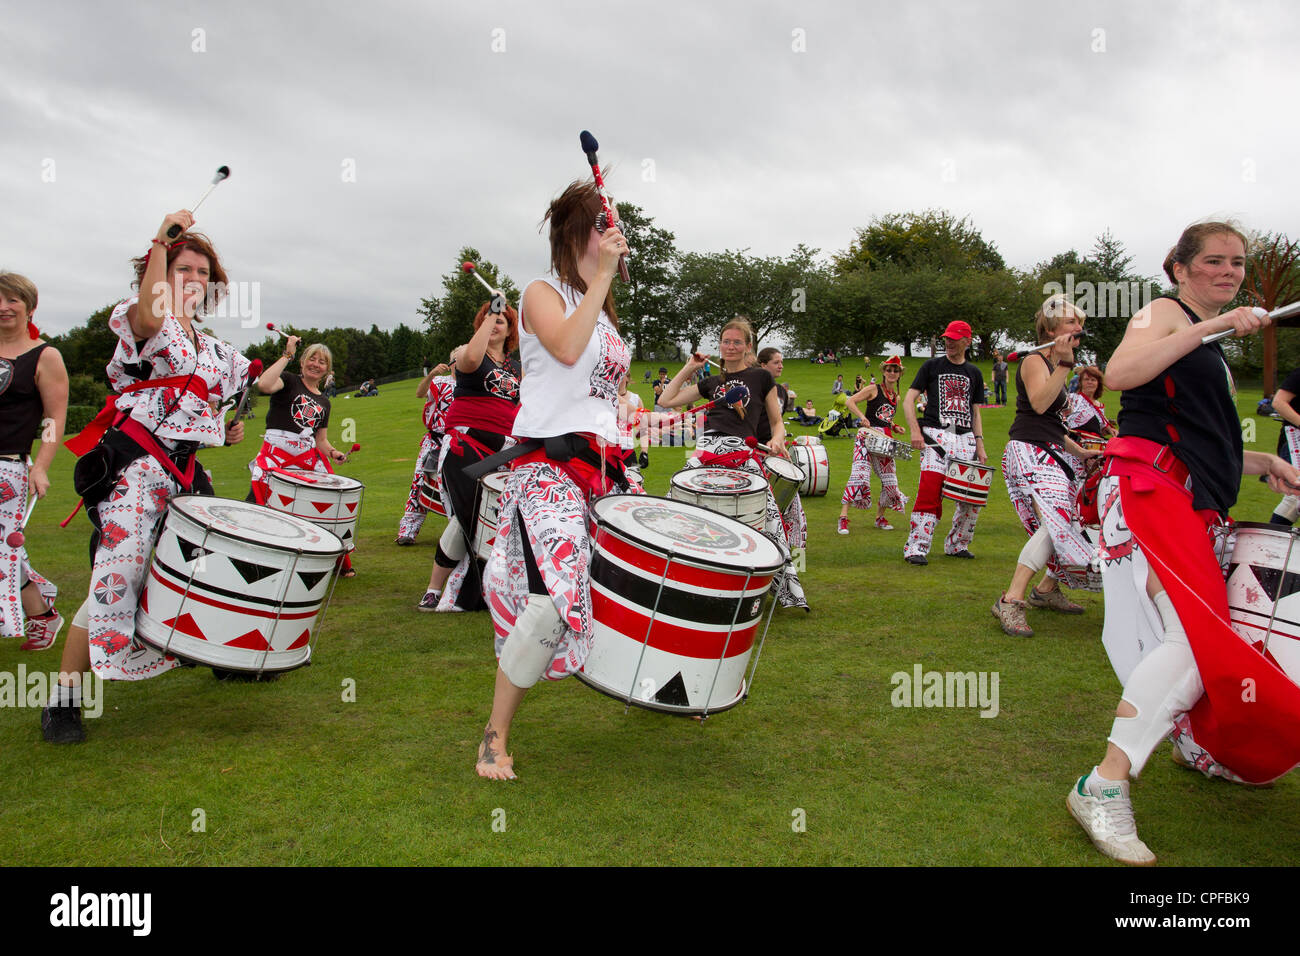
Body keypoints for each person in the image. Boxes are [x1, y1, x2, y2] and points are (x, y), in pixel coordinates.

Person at [1069, 220, 1300, 865]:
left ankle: (1190, 746)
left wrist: (1255, 461)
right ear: (1180, 266)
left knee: (1184, 635)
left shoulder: (1207, 345)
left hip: (1178, 493)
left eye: (1238, 263)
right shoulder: (1164, 312)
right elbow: (1118, 373)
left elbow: (1183, 426)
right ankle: (1103, 783)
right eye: (1215, 262)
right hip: (1148, 492)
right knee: (1194, 636)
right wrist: (1210, 327)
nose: (1229, 272)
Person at [43, 211, 256, 742]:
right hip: (135, 470)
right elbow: (149, 308)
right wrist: (163, 238)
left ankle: (214, 654)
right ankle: (63, 701)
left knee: (205, 569)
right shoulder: (144, 318)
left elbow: (249, 385)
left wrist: (232, 424)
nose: (195, 280)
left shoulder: (209, 345)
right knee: (116, 579)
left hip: (186, 471)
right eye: (184, 268)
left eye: (204, 273)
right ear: (159, 270)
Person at [474, 180, 630, 779]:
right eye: (601, 226)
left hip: (603, 465)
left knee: (629, 580)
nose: (612, 236)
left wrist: (673, 415)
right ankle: (493, 737)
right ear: (572, 234)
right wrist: (601, 283)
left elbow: (604, 399)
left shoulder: (604, 309)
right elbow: (565, 349)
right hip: (546, 468)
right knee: (548, 601)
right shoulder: (541, 293)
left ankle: (665, 682)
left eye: (614, 227)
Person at [659, 318, 807, 609]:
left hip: (742, 450)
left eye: (737, 342)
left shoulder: (762, 378)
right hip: (705, 452)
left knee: (767, 518)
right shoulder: (711, 382)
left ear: (747, 346)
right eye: (726, 341)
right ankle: (677, 584)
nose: (730, 346)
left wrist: (778, 441)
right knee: (675, 510)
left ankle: (781, 590)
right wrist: (690, 366)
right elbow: (666, 399)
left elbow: (777, 423)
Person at [991, 297, 1101, 637]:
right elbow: (1039, 406)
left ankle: (1047, 589)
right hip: (1029, 450)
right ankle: (1011, 600)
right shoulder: (1034, 361)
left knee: (1068, 519)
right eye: (1069, 322)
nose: (1077, 328)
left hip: (1052, 450)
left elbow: (1054, 424)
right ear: (1051, 330)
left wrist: (1081, 453)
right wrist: (1067, 366)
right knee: (1058, 520)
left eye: (1078, 322)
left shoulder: (1055, 365)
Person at [420, 300, 521, 612]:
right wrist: (490, 315)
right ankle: (434, 590)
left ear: (511, 328)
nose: (497, 322)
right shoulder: (468, 353)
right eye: (492, 319)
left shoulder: (517, 366)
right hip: (466, 445)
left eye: (503, 319)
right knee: (466, 516)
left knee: (489, 520)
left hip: (505, 451)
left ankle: (482, 589)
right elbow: (472, 358)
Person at [0, 272, 68, 649]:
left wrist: (40, 465)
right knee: (5, 549)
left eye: (12, 300)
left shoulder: (46, 356)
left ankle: (42, 617)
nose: (3, 308)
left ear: (29, 306)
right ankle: (43, 614)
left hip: (7, 468)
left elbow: (52, 419)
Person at [902, 320, 987, 564]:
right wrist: (915, 431)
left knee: (971, 496)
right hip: (935, 436)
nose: (949, 342)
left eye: (954, 338)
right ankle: (916, 547)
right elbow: (909, 400)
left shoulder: (975, 373)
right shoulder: (931, 366)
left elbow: (975, 411)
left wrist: (979, 444)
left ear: (967, 341)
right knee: (929, 490)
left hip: (966, 440)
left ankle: (958, 544)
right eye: (947, 338)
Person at [837, 355, 908, 534]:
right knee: (859, 475)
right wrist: (862, 417)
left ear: (899, 374)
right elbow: (849, 401)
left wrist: (894, 426)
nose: (892, 373)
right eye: (889, 369)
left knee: (890, 480)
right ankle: (843, 518)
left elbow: (884, 417)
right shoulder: (873, 389)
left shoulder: (896, 397)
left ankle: (879, 517)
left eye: (895, 370)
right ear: (884, 371)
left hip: (885, 440)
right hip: (866, 438)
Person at [395, 360, 454, 545]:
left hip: (457, 442)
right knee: (419, 482)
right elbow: (420, 393)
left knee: (456, 488)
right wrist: (431, 375)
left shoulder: (474, 383)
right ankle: (408, 530)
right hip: (434, 440)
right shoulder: (439, 382)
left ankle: (458, 534)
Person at [1270, 365, 1300, 525]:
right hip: (1295, 442)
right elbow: (1279, 402)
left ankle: (1271, 540)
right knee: (1295, 496)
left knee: (1293, 500)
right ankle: (1270, 540)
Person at [1065, 365, 1117, 440]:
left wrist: (1110, 430)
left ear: (1098, 384)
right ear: (1081, 382)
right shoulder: (1072, 398)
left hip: (1091, 443)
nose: (1089, 382)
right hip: (1073, 441)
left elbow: (1098, 430)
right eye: (1086, 379)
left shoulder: (1100, 406)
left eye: (1093, 380)